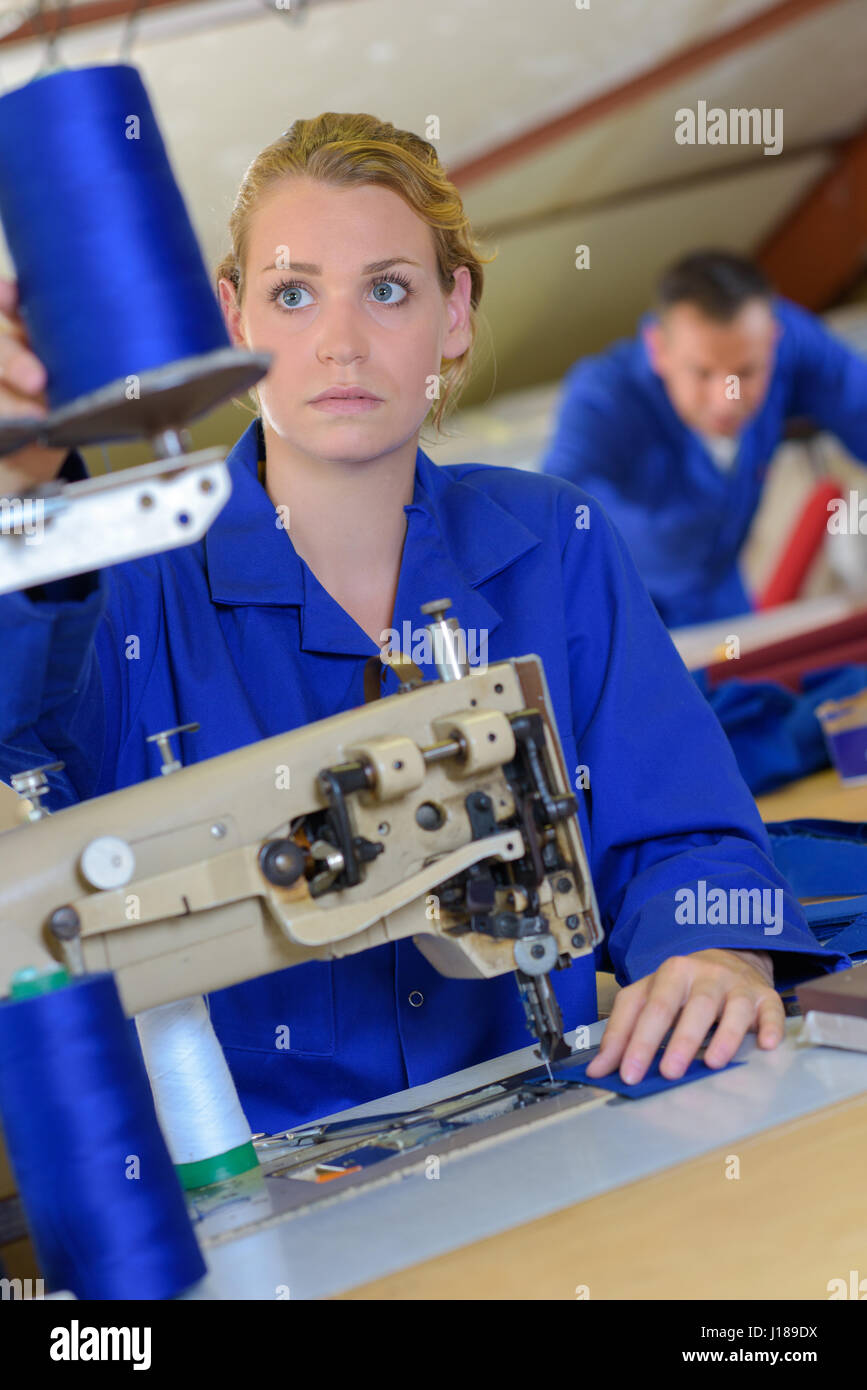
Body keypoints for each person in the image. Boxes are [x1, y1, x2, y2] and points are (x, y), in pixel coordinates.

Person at [0, 118, 849, 1135]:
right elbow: (26, 759)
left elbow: (684, 834)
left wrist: (714, 949)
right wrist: (22, 487)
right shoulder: (117, 585)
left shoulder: (555, 541)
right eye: (294, 292)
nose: (342, 342)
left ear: (455, 313)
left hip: (544, 1143)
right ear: (234, 316)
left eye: (390, 289)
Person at [541, 251, 867, 629]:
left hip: (724, 601)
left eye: (746, 372)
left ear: (772, 344)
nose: (726, 400)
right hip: (624, 615)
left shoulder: (785, 340)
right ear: (657, 348)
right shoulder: (601, 398)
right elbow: (562, 516)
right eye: (702, 373)